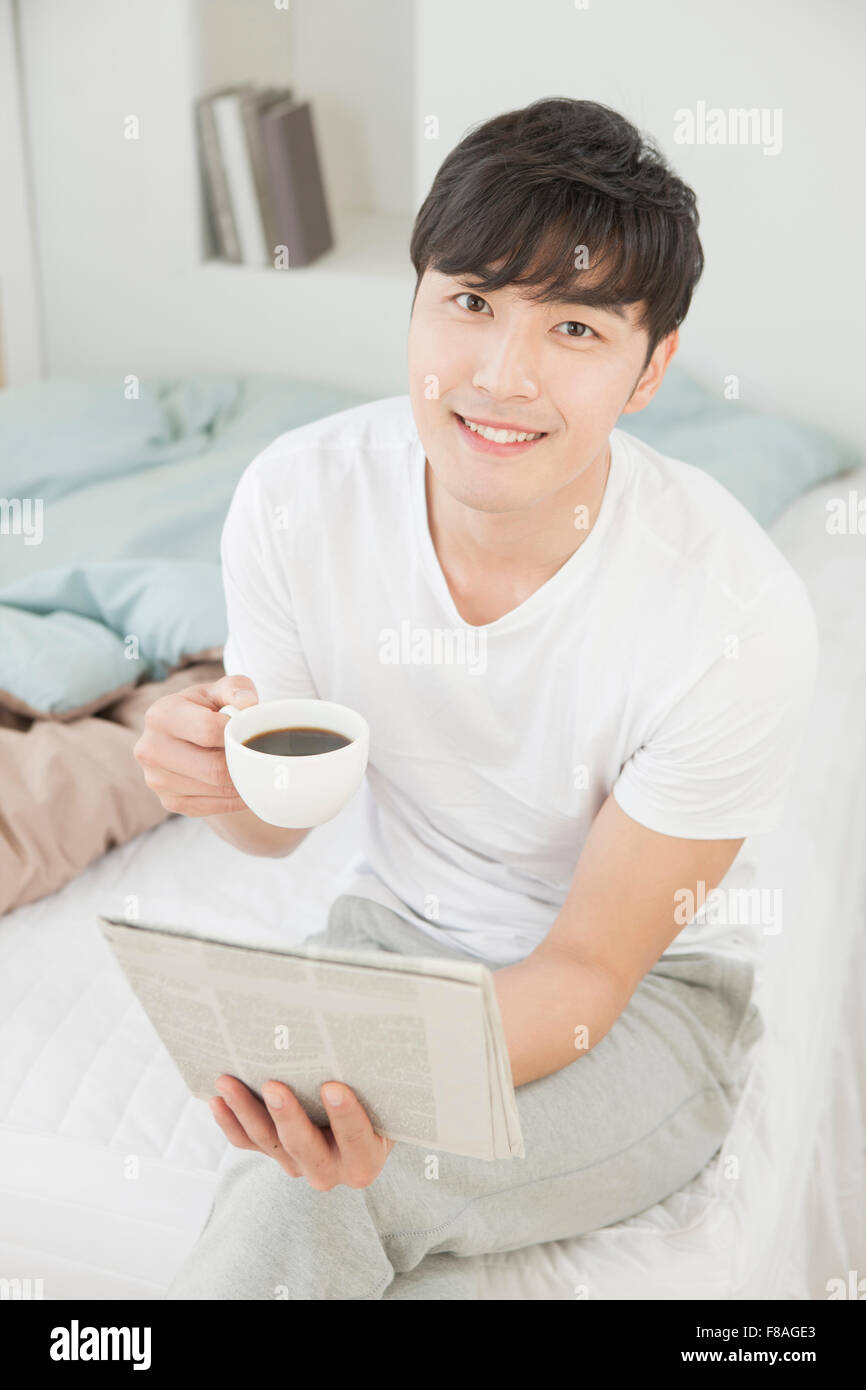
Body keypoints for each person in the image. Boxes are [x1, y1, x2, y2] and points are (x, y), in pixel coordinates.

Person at [134, 98, 818, 1300]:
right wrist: (209, 785)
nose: (501, 377)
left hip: (647, 1003)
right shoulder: (299, 497)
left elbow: (589, 971)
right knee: (299, 1155)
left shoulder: (729, 612)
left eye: (571, 327)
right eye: (468, 303)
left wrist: (377, 1083)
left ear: (650, 367)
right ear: (412, 303)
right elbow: (279, 818)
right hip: (394, 938)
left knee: (324, 1182)